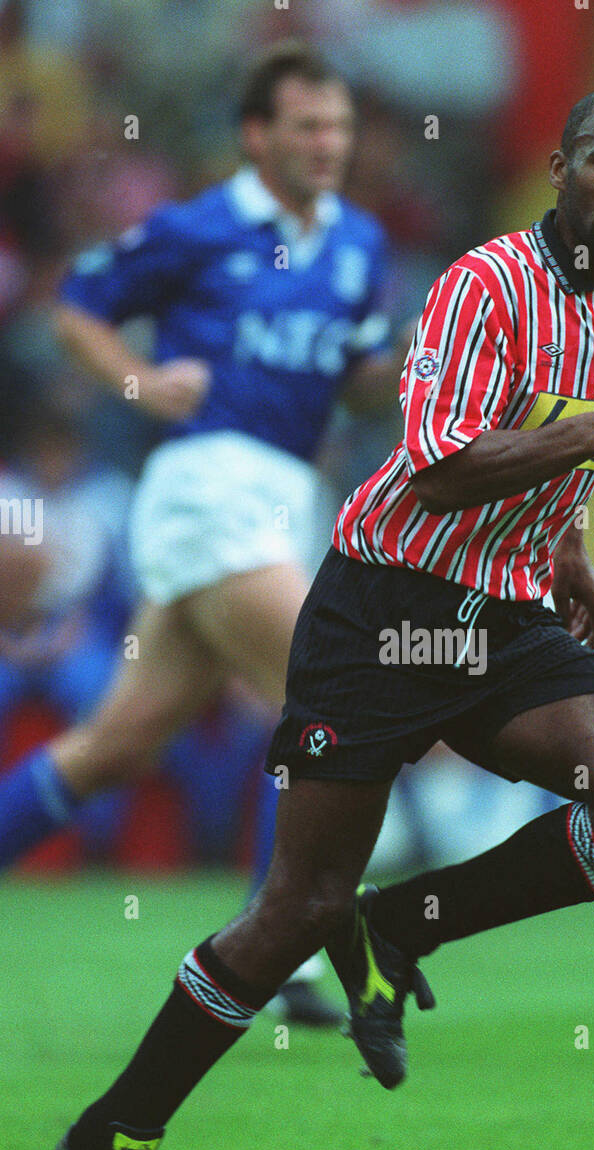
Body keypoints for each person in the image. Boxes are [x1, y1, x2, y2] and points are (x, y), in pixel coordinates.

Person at [46, 84, 594, 1150]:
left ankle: (398, 925)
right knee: (296, 905)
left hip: (502, 617)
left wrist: (568, 539)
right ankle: (108, 1139)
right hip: (380, 614)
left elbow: (557, 434)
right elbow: (440, 465)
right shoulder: (481, 285)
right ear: (558, 163)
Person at [0, 41, 407, 1022]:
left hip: (284, 499)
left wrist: (421, 367)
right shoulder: (198, 228)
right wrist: (140, 381)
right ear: (255, 134)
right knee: (332, 692)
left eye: (339, 127)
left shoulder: (358, 244)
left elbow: (355, 375)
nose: (327, 144)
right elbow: (78, 308)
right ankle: (285, 956)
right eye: (307, 126)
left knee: (114, 746)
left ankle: (282, 945)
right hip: (207, 483)